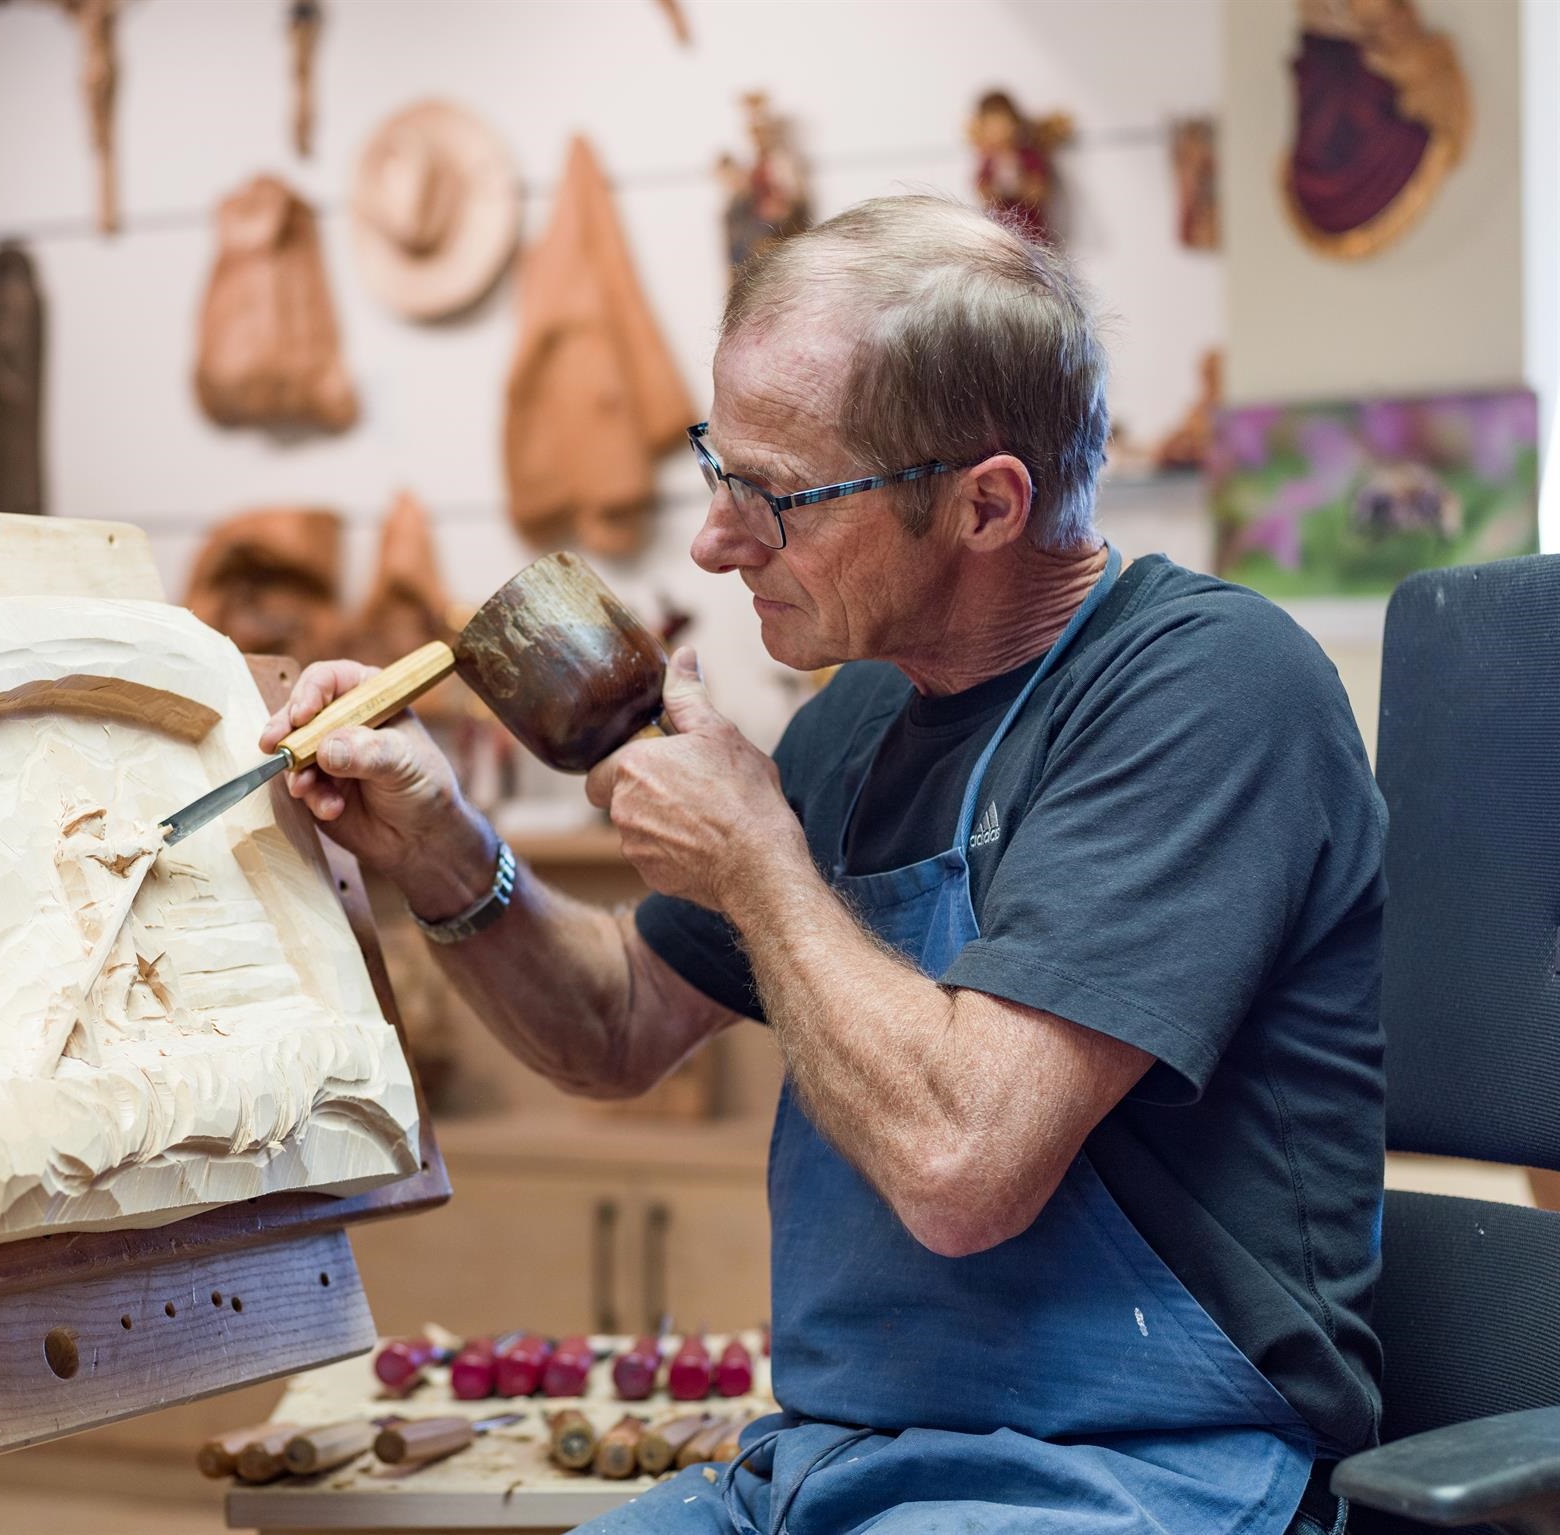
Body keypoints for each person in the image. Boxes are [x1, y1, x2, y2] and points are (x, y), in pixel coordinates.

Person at [260, 196, 1386, 1535]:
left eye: (778, 498)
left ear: (985, 504)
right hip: (836, 1462)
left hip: (1135, 1472)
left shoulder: (1207, 693)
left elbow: (967, 1163)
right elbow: (617, 1030)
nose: (716, 541)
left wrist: (753, 857)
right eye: (719, 469)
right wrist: (439, 843)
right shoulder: (856, 716)